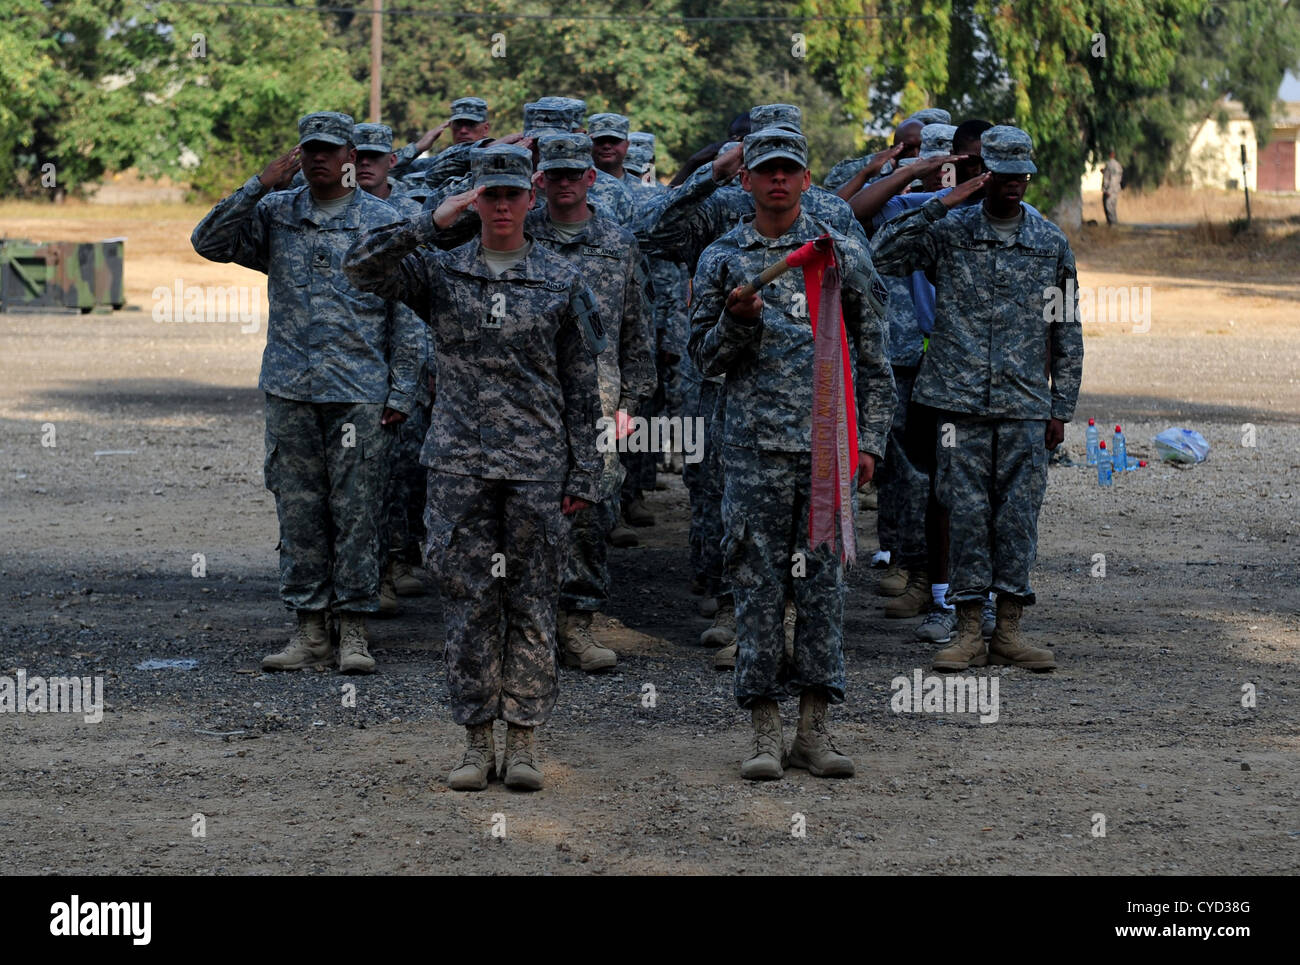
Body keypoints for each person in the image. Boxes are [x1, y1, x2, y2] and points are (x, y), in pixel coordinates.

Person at [342, 143, 603, 791]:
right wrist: (432, 220)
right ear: (476, 200)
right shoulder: (443, 273)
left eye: (515, 193)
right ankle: (473, 741)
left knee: (533, 602)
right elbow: (360, 268)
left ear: (532, 198)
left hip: (537, 468)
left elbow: (582, 387)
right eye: (492, 194)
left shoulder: (562, 280)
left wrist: (585, 473)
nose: (505, 205)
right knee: (467, 604)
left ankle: (523, 743)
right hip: (459, 467)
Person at [689, 127, 895, 781]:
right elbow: (705, 361)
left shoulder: (838, 253)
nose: (777, 180)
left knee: (824, 592)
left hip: (827, 453)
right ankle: (762, 731)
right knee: (756, 590)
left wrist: (870, 442)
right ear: (745, 179)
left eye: (789, 170)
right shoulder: (723, 257)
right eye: (765, 170)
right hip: (751, 452)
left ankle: (814, 730)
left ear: (807, 180)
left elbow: (873, 352)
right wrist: (736, 323)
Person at [191, 111, 424, 675]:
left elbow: (409, 311)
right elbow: (208, 242)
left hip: (360, 390)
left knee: (359, 514)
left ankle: (354, 632)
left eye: (329, 149)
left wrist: (403, 390)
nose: (318, 158)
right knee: (299, 513)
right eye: (309, 149)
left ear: (350, 155)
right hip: (292, 388)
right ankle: (309, 629)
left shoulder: (383, 220)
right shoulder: (277, 213)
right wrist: (258, 185)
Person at [873, 125, 1084, 673]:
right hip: (958, 406)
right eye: (1002, 173)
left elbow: (1065, 328)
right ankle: (967, 630)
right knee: (965, 516)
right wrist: (942, 201)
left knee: (1017, 519)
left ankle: (1009, 629)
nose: (1013, 184)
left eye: (1021, 174)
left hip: (1023, 405)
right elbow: (880, 255)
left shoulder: (1049, 241)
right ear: (985, 172)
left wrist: (1061, 407)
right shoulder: (950, 231)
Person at [526, 131, 657, 672]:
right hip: (526, 398)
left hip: (599, 405)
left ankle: (577, 625)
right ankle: (532, 629)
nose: (562, 183)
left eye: (571, 174)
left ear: (589, 178)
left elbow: (637, 328)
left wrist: (633, 403)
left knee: (589, 515)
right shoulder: (519, 234)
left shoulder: (616, 241)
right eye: (551, 174)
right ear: (540, 179)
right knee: (528, 516)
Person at [353, 122, 430, 610]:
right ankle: (376, 572)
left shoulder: (409, 214)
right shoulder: (323, 208)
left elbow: (411, 305)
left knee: (405, 468)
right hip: (352, 368)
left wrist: (408, 379)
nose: (364, 165)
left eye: (373, 157)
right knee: (364, 481)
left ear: (391, 161)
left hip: (405, 358)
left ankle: (401, 556)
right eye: (357, 156)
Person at [1103, 150, 1123, 226]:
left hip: (1111, 191)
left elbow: (1114, 179)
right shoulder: (1113, 164)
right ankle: (1112, 226)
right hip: (1112, 190)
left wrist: (1109, 190)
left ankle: (1113, 226)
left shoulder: (1112, 164)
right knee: (1110, 208)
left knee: (1109, 208)